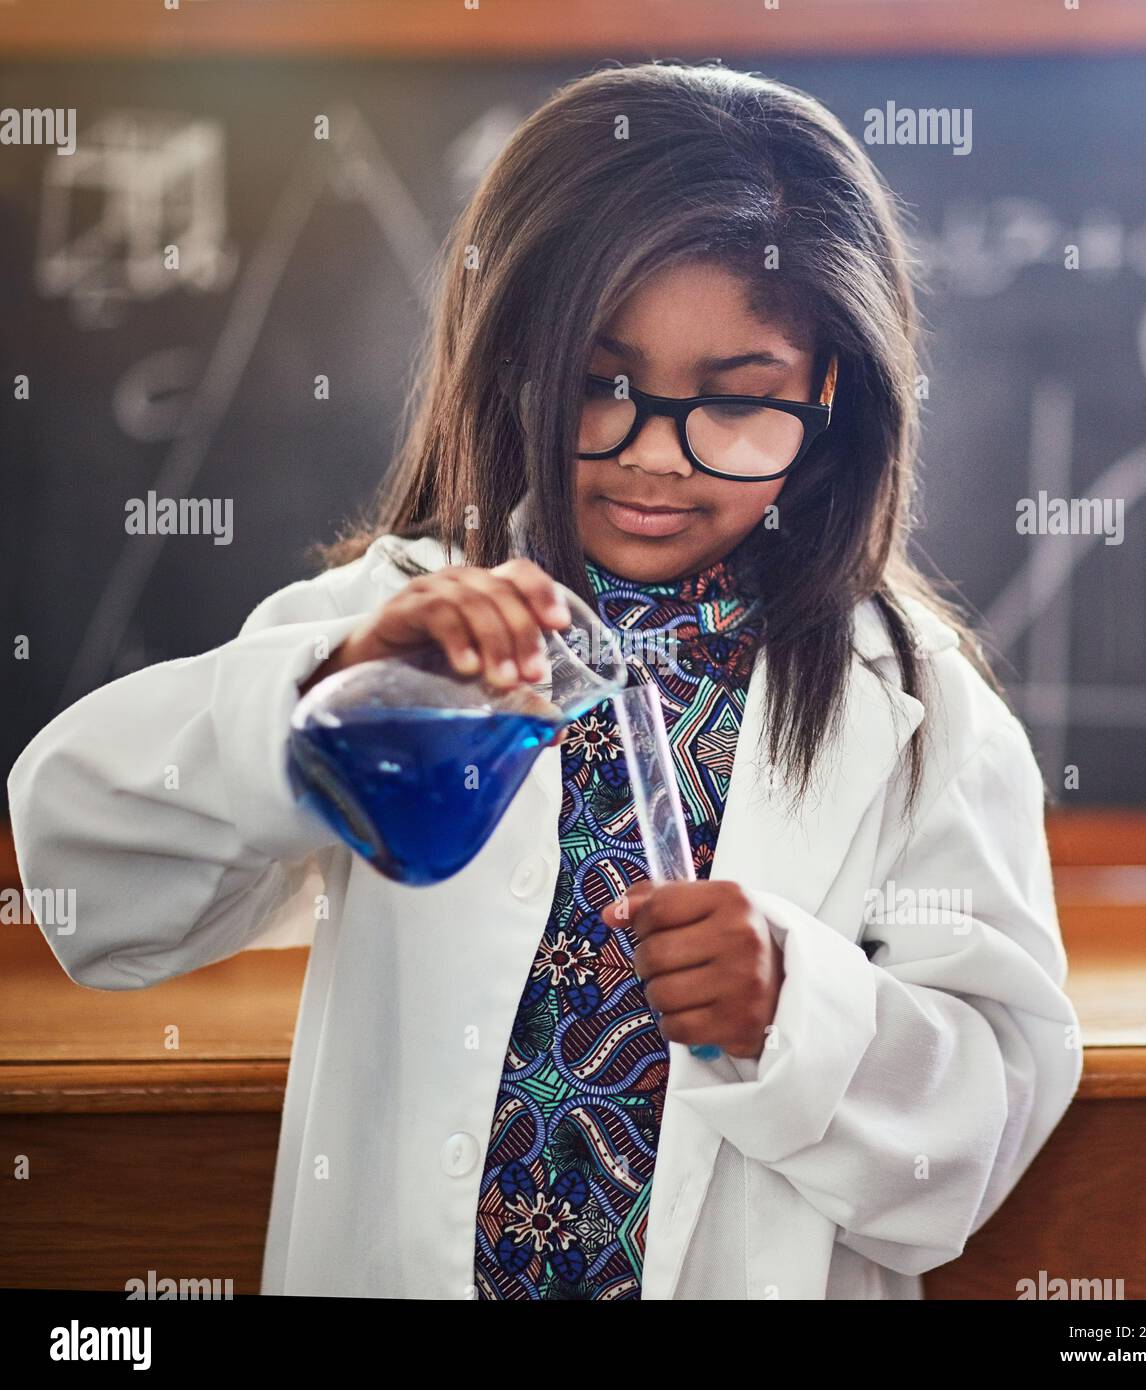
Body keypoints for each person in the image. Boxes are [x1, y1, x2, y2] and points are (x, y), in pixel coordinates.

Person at [7, 60, 1082, 1300]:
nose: (657, 460)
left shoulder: (917, 711)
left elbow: (990, 1112)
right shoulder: (397, 623)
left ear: (832, 396)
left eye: (737, 403)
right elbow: (85, 876)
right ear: (514, 355)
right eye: (597, 384)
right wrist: (328, 702)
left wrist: (799, 1013)